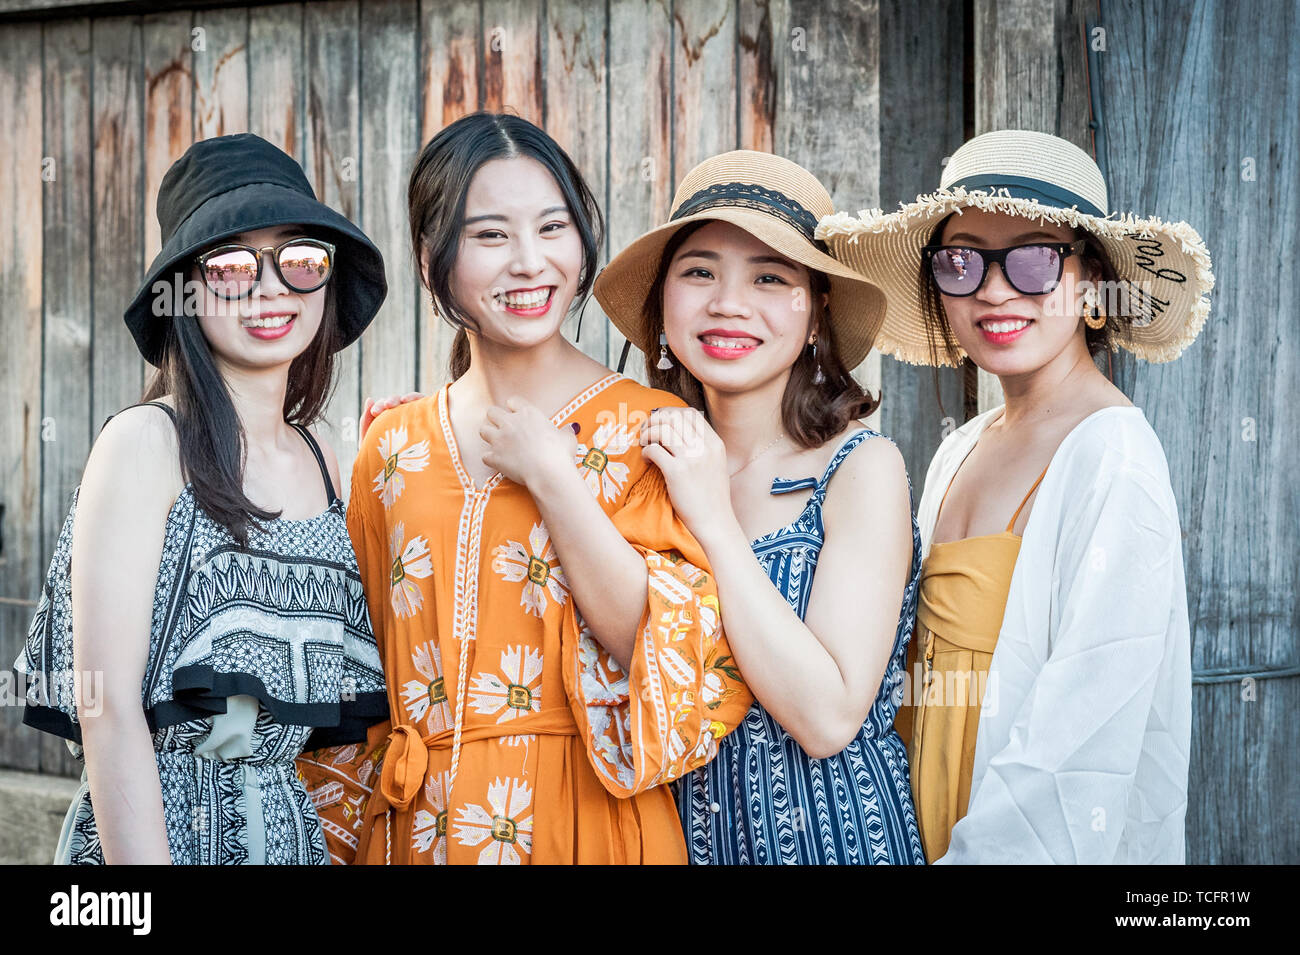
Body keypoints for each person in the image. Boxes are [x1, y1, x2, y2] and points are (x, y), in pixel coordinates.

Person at [301, 112, 751, 865]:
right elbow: (356, 679)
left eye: (552, 228)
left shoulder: (651, 426)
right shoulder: (392, 446)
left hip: (585, 821)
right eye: (489, 236)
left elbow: (656, 646)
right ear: (429, 259)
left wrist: (551, 474)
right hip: (418, 826)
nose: (529, 262)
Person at [819, 128, 1211, 863]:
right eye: (962, 261)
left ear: (1092, 282)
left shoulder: (1112, 455)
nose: (996, 289)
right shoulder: (957, 449)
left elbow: (1084, 733)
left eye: (1034, 258)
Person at [13, 133, 390, 864]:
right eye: (231, 264)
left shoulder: (321, 461)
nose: (271, 286)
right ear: (184, 287)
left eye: (301, 258)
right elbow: (107, 706)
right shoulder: (144, 445)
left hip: (287, 838)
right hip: (157, 835)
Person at [590, 150, 926, 864]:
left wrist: (712, 519)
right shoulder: (632, 468)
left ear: (815, 317)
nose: (728, 303)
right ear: (661, 307)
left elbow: (829, 716)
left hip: (839, 841)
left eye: (769, 277)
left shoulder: (860, 469)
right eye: (699, 271)